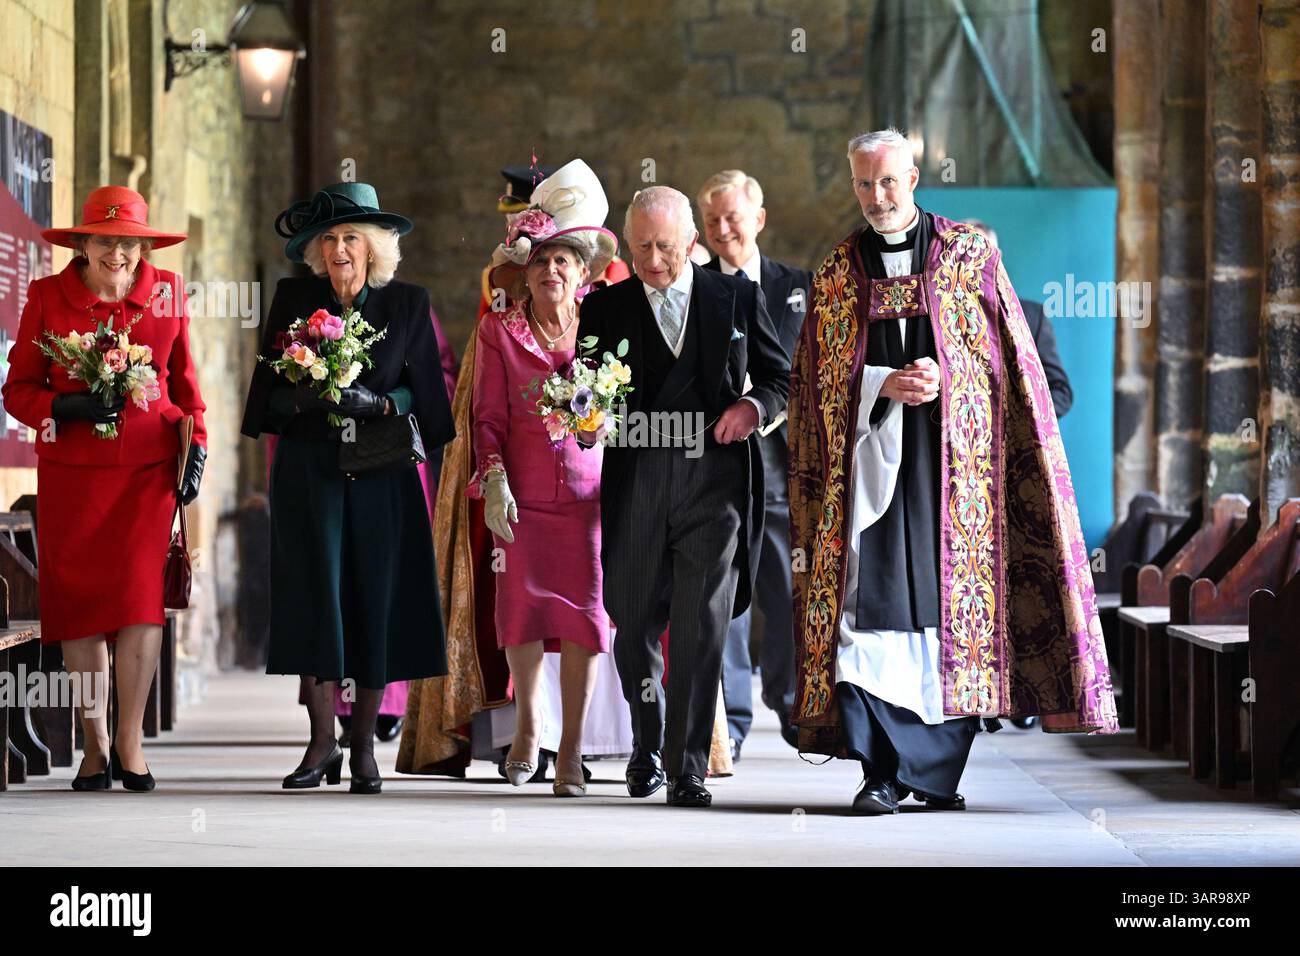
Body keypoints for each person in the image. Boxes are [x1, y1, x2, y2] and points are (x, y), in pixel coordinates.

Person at [788, 128, 1117, 815]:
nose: (875, 197)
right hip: (871, 478)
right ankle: (880, 773)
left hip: (954, 479)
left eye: (887, 182)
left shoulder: (971, 257)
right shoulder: (836, 275)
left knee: (951, 624)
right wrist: (880, 384)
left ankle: (934, 776)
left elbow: (1013, 369)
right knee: (862, 615)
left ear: (913, 178)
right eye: (863, 183)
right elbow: (813, 386)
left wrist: (950, 375)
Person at [576, 185, 789, 807]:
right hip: (637, 476)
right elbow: (585, 390)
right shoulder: (605, 306)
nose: (652, 260)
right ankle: (646, 746)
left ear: (691, 243)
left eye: (664, 247)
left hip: (714, 480)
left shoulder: (736, 295)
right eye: (640, 247)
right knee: (634, 617)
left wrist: (752, 408)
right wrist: (585, 416)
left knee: (702, 624)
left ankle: (688, 763)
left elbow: (779, 377)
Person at [240, 182, 454, 794]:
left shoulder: (407, 304)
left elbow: (428, 398)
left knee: (375, 603)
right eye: (329, 239)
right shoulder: (293, 298)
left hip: (382, 474)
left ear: (375, 247)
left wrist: (382, 402)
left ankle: (362, 745)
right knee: (317, 602)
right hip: (310, 473)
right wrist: (306, 390)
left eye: (351, 237)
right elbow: (268, 397)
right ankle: (320, 743)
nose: (339, 249)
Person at [2, 185, 207, 792]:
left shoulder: (167, 293)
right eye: (105, 240)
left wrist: (195, 452)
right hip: (72, 476)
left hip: (148, 473)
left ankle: (130, 743)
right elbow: (17, 391)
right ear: (83, 243)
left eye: (129, 242)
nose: (117, 253)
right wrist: (66, 405)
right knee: (82, 605)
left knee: (141, 600)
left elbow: (187, 389)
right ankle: (94, 748)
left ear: (144, 247)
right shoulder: (46, 296)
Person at [466, 159, 624, 797]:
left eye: (564, 261)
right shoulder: (498, 333)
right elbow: (487, 418)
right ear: (524, 274)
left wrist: (606, 428)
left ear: (583, 273)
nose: (552, 270)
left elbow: (628, 409)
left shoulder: (603, 332)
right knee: (522, 614)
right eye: (540, 262)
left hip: (591, 499)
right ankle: (530, 727)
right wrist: (495, 482)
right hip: (524, 498)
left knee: (587, 618)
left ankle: (573, 749)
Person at [697, 169, 812, 759]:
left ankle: (791, 703)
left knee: (788, 592)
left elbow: (814, 377)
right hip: (715, 475)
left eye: (732, 217)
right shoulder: (692, 289)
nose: (722, 228)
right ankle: (732, 725)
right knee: (725, 600)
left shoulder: (801, 287)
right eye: (711, 219)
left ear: (758, 219)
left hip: (785, 473)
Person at [965, 219, 1072, 418]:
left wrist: (1021, 422)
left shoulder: (1033, 317)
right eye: (965, 252)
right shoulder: (934, 317)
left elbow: (1060, 393)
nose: (974, 260)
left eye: (982, 250)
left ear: (998, 256)